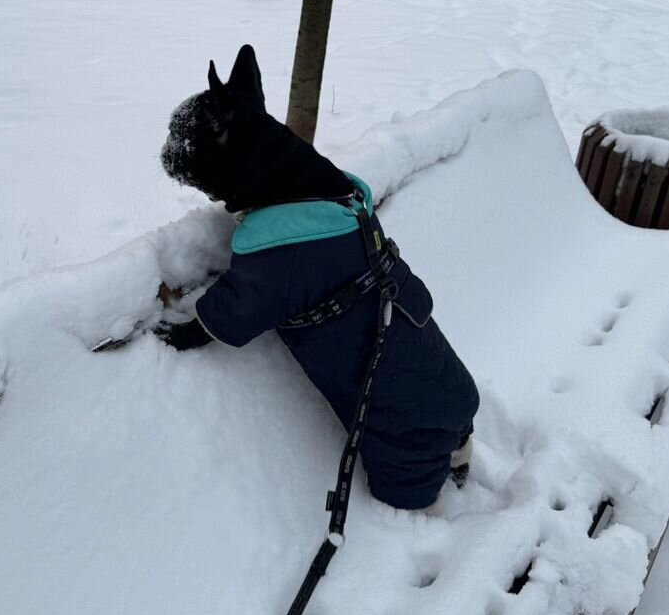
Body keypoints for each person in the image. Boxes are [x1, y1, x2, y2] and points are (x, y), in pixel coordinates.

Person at [156, 45, 479, 511]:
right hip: (448, 389)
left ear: (229, 152)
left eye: (187, 154)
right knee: (416, 375)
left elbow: (242, 306)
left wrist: (188, 330)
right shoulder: (326, 194)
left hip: (407, 431)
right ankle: (458, 446)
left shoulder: (282, 251)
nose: (174, 154)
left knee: (402, 481)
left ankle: (428, 511)